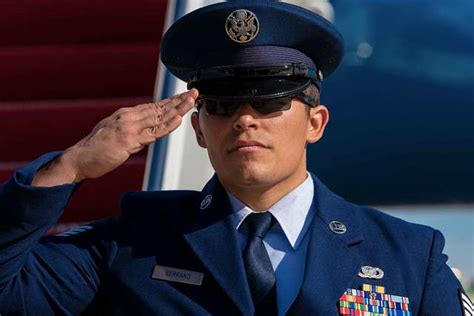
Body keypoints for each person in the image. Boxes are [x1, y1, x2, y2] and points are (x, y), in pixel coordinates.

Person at [0, 1, 471, 315]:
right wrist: (72, 165)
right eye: (223, 104)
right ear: (200, 129)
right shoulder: (132, 242)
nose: (245, 120)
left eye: (268, 101)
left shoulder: (409, 255)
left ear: (315, 123)